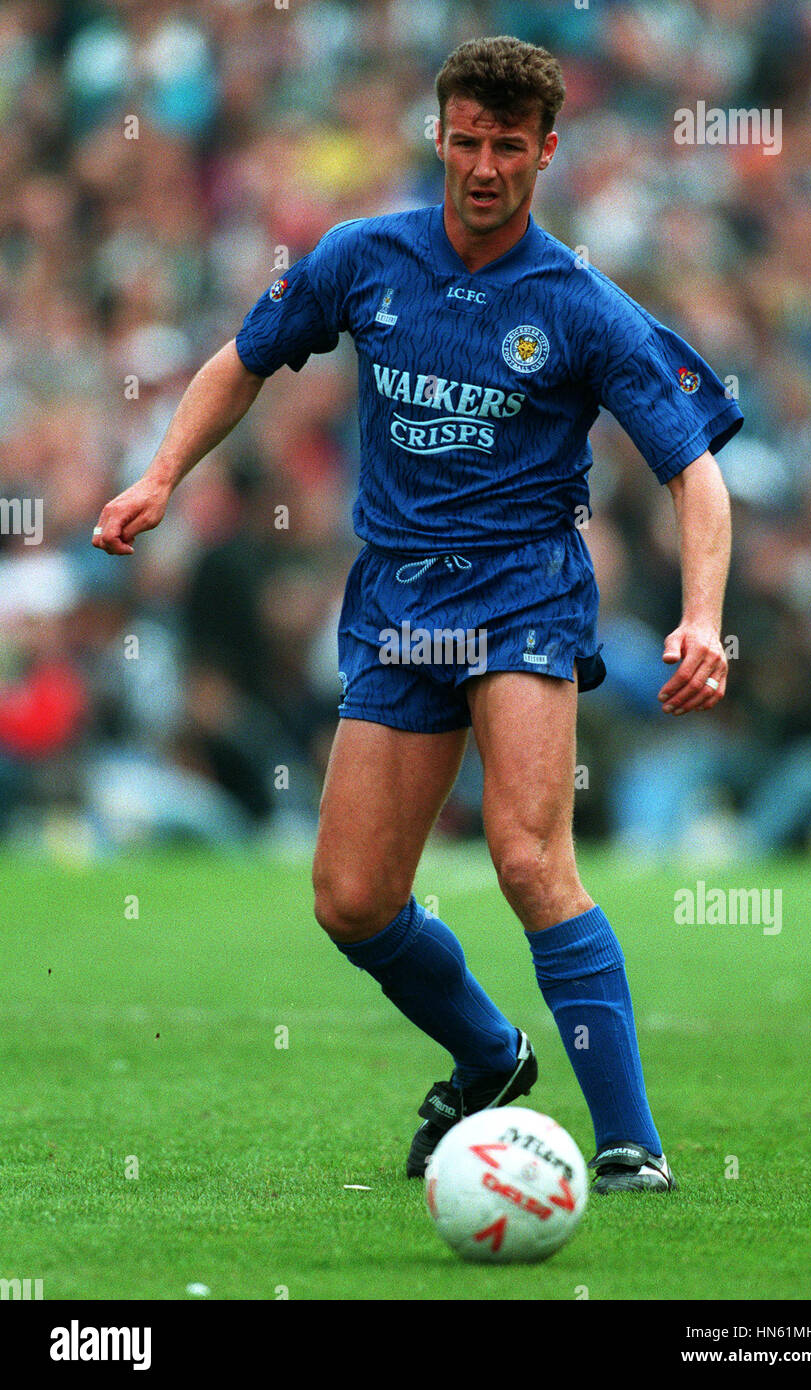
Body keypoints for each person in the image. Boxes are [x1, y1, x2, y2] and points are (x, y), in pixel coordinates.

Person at [93, 36, 742, 1195]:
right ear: (436, 134)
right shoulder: (359, 258)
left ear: (546, 150)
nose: (483, 165)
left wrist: (700, 617)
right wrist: (159, 476)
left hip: (523, 594)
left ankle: (631, 1144)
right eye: (466, 139)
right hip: (396, 600)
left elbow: (693, 471)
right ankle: (490, 1056)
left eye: (508, 145)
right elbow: (241, 361)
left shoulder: (580, 305)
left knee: (527, 859)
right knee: (351, 900)